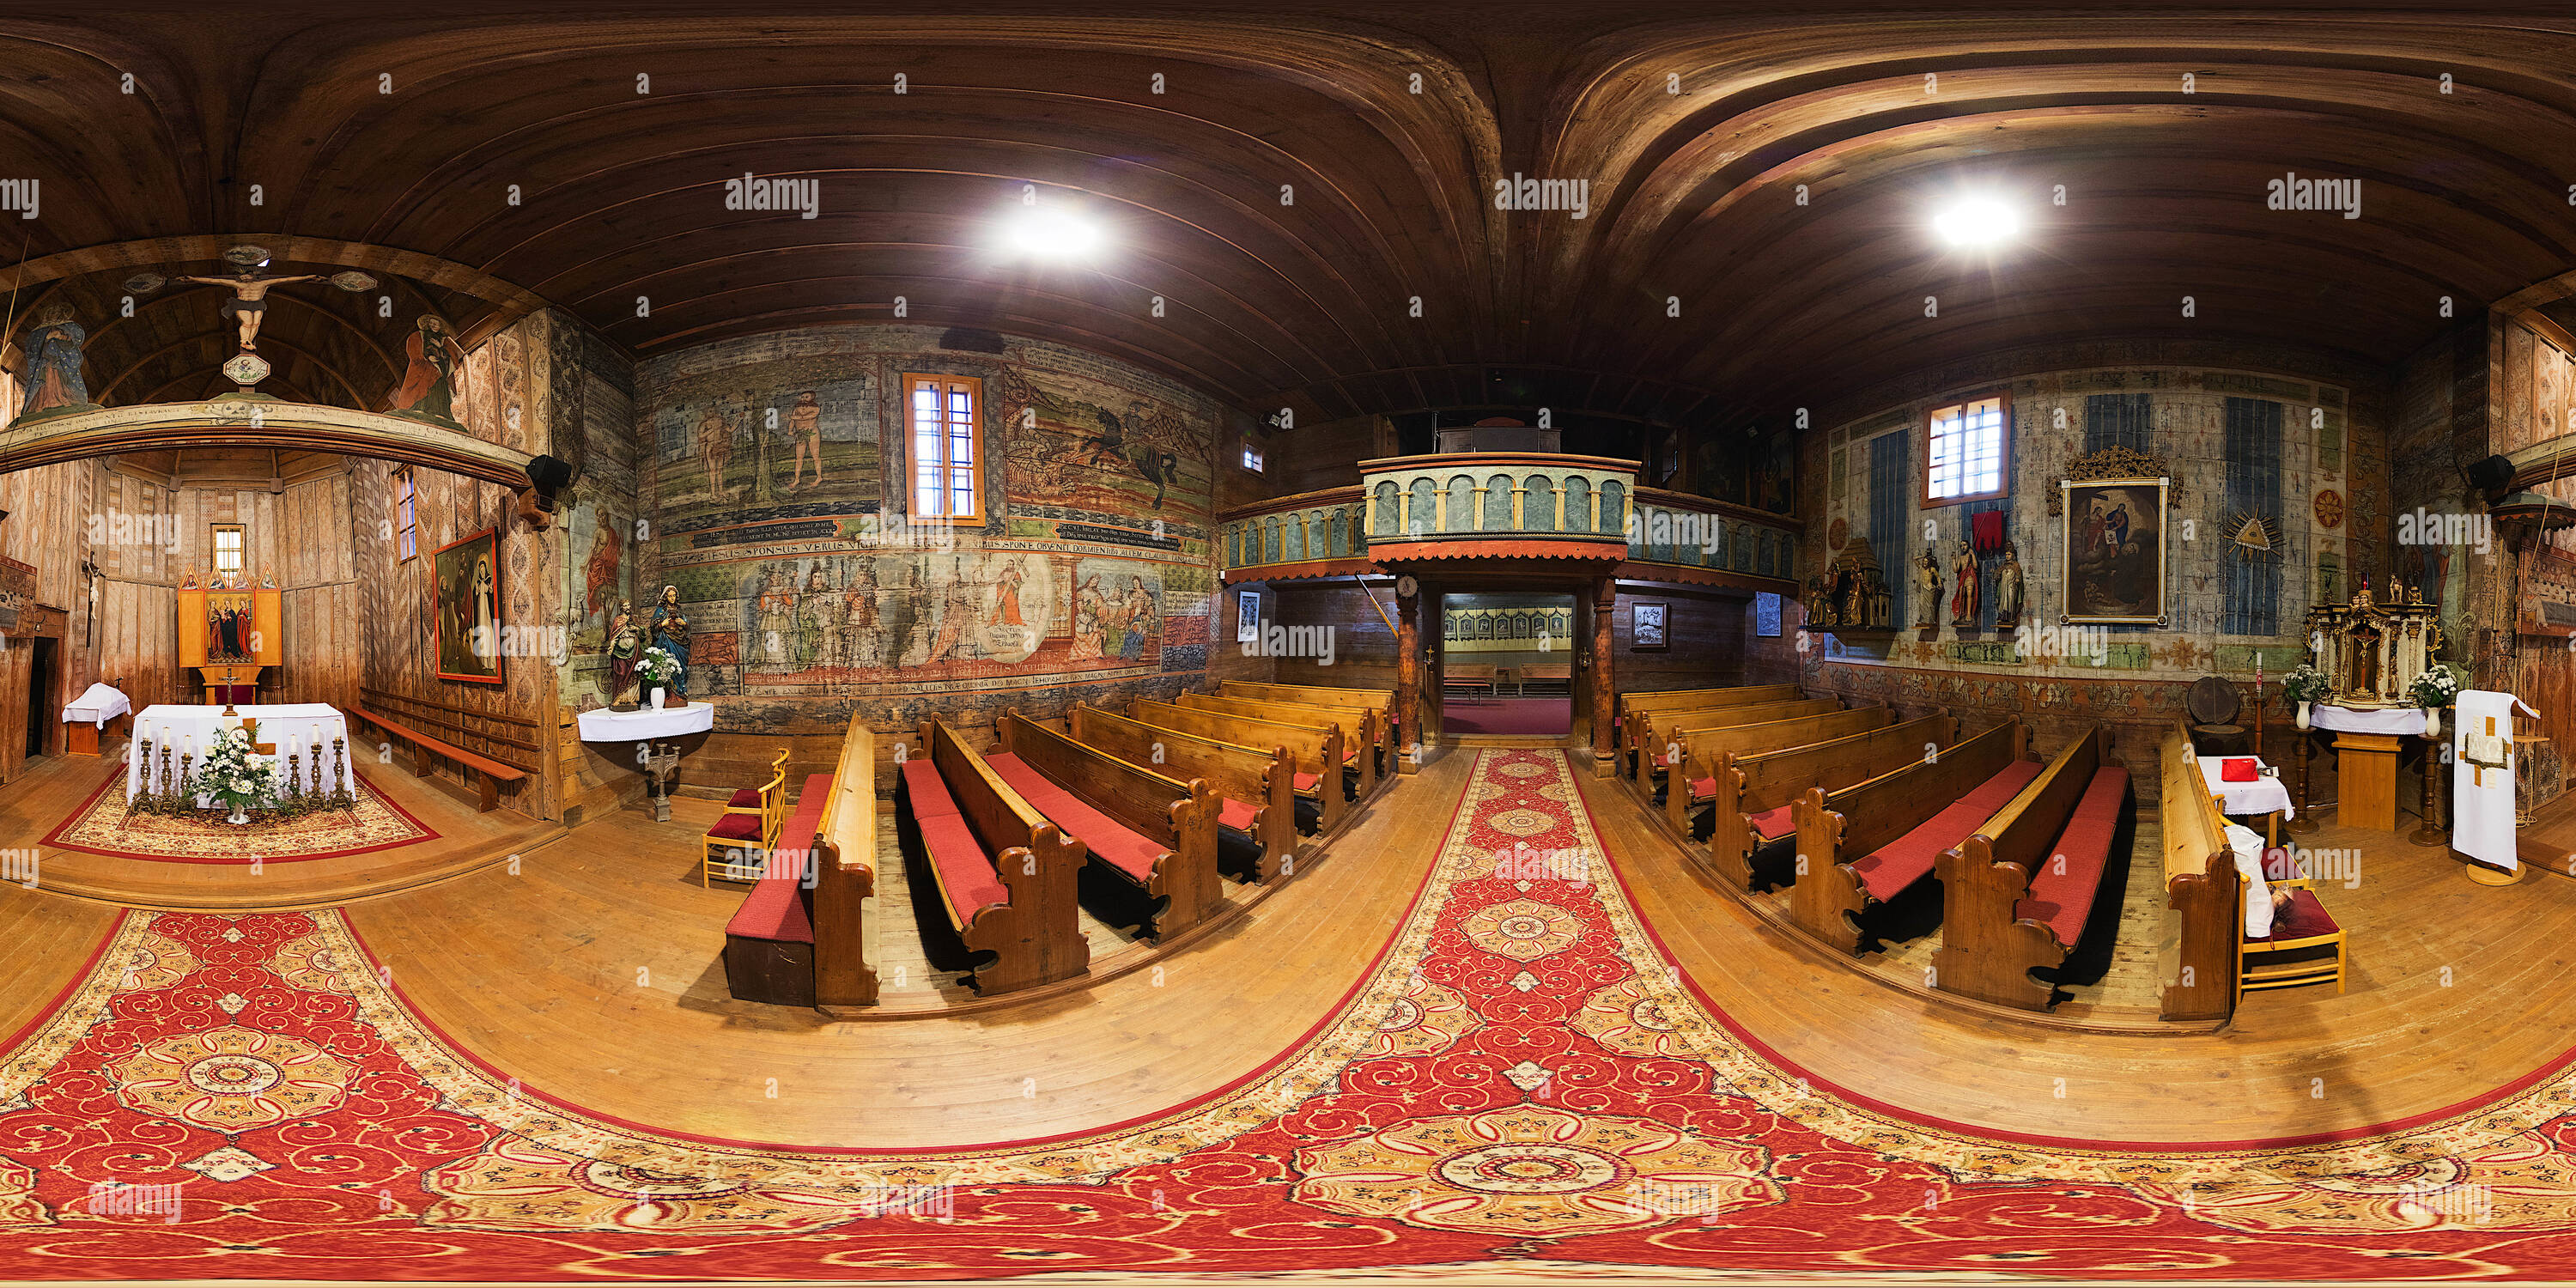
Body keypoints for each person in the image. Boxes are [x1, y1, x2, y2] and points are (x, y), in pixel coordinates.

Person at [176, 265, 327, 350]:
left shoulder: (262, 284)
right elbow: (216, 281)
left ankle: (249, 341)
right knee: (247, 323)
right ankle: (244, 340)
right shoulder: (238, 285)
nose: (242, 278)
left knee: (256, 324)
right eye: (240, 277)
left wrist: (307, 277)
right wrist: (193, 278)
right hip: (241, 304)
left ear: (252, 276)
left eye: (244, 276)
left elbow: (286, 279)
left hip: (257, 303)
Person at [649, 585, 691, 702]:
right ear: (665, 597)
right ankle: (669, 695)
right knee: (668, 668)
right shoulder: (661, 611)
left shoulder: (679, 610)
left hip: (680, 643)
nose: (672, 598)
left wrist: (684, 624)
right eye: (670, 596)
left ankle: (679, 693)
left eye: (674, 596)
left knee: (680, 667)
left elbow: (687, 627)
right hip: (666, 641)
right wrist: (662, 624)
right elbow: (652, 628)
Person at [787, 391, 824, 490]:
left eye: (806, 397)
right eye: (802, 397)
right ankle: (797, 479)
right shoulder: (797, 407)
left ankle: (819, 477)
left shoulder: (815, 408)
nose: (803, 399)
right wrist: (790, 430)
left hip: (812, 433)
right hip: (800, 434)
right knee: (799, 458)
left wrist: (792, 416)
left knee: (815, 456)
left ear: (812, 397)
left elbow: (805, 417)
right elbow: (793, 421)